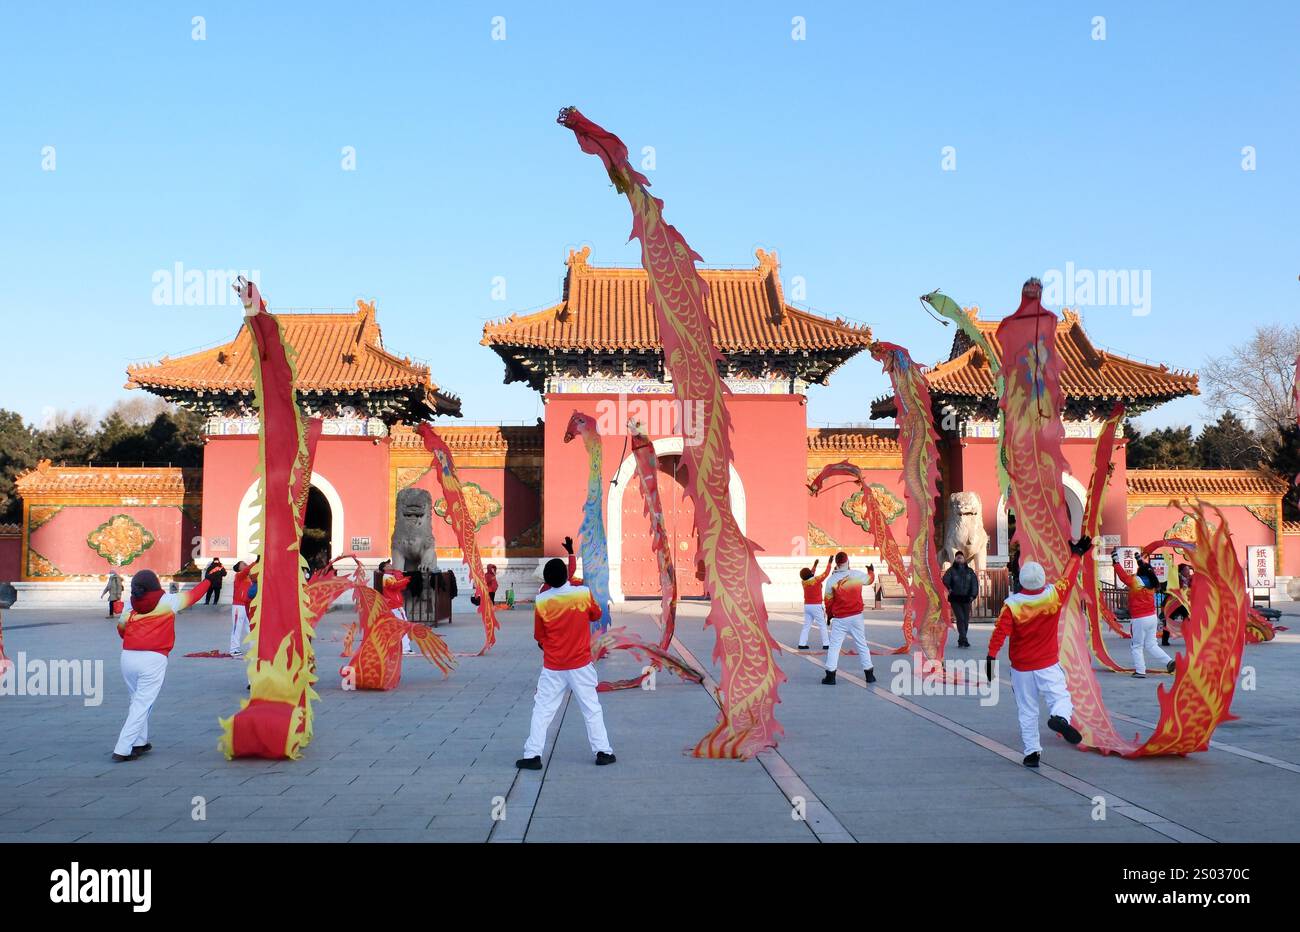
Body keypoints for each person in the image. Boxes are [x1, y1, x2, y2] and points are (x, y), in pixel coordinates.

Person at [986, 537, 1092, 767]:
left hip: (1021, 668)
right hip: (1048, 664)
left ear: (1021, 579)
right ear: (1043, 579)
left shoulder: (1012, 604)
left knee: (1027, 709)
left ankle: (1032, 752)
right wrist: (1077, 554)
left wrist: (991, 657)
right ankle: (1060, 718)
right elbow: (1069, 579)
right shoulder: (1054, 595)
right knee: (1060, 697)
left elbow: (999, 633)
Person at [517, 557, 615, 770]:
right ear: (567, 575)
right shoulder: (582, 593)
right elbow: (596, 614)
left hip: (553, 666)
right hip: (581, 664)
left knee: (542, 710)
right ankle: (603, 752)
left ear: (547, 580)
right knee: (591, 708)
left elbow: (539, 636)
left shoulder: (542, 600)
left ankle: (533, 755)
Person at [111, 569, 211, 761]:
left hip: (128, 657)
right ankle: (122, 749)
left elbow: (121, 631)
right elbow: (193, 596)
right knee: (142, 704)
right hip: (153, 658)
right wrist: (208, 580)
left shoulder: (129, 606)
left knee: (137, 700)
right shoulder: (167, 602)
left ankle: (140, 742)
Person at [1112, 549, 1175, 678]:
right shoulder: (1152, 582)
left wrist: (1115, 560)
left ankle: (1140, 671)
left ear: (1139, 571)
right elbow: (1147, 569)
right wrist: (1139, 560)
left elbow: (1122, 576)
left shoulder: (1135, 581)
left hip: (1139, 619)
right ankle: (1169, 661)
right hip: (1152, 617)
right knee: (1151, 644)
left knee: (1137, 646)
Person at [820, 552, 876, 685]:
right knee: (862, 644)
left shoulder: (831, 581)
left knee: (834, 647)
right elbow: (870, 580)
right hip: (857, 617)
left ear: (837, 564)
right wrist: (870, 570)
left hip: (840, 619)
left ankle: (830, 676)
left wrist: (829, 616)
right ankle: (869, 675)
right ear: (847, 562)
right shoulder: (857, 575)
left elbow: (828, 601)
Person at [375, 560, 414, 654]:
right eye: (387, 564)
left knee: (395, 627)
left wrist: (400, 576)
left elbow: (401, 588)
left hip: (394, 605)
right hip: (394, 605)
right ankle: (405, 648)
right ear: (384, 568)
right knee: (403, 626)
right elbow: (394, 585)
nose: (390, 564)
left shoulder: (390, 576)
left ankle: (390, 647)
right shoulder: (386, 577)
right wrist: (405, 579)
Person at [942, 551, 980, 648]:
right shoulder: (951, 570)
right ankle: (964, 639)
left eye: (961, 557)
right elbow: (945, 581)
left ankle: (961, 639)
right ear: (955, 559)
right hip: (955, 598)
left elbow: (974, 584)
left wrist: (973, 595)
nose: (959, 559)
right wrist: (950, 589)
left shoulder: (970, 571)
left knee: (966, 619)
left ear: (964, 559)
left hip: (967, 598)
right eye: (957, 557)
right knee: (960, 618)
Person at [797, 558, 833, 650]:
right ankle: (826, 644)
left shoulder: (804, 582)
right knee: (822, 625)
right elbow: (826, 573)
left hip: (807, 606)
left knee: (806, 625)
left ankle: (802, 643)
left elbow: (810, 574)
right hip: (816, 606)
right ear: (810, 574)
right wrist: (829, 563)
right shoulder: (817, 580)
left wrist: (815, 566)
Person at [1162, 563, 1194, 646]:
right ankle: (1164, 640)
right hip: (1174, 603)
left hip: (1183, 604)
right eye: (1186, 570)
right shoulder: (1176, 579)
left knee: (1188, 619)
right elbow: (1169, 587)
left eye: (1188, 570)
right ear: (1181, 571)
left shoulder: (1189, 579)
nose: (1188, 572)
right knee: (1169, 620)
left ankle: (1188, 638)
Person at [230, 560, 254, 656]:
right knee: (237, 628)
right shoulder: (239, 576)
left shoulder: (249, 578)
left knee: (250, 627)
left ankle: (253, 648)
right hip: (238, 606)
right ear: (239, 568)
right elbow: (247, 570)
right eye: (243, 564)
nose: (245, 564)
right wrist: (255, 562)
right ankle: (234, 649)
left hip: (247, 606)